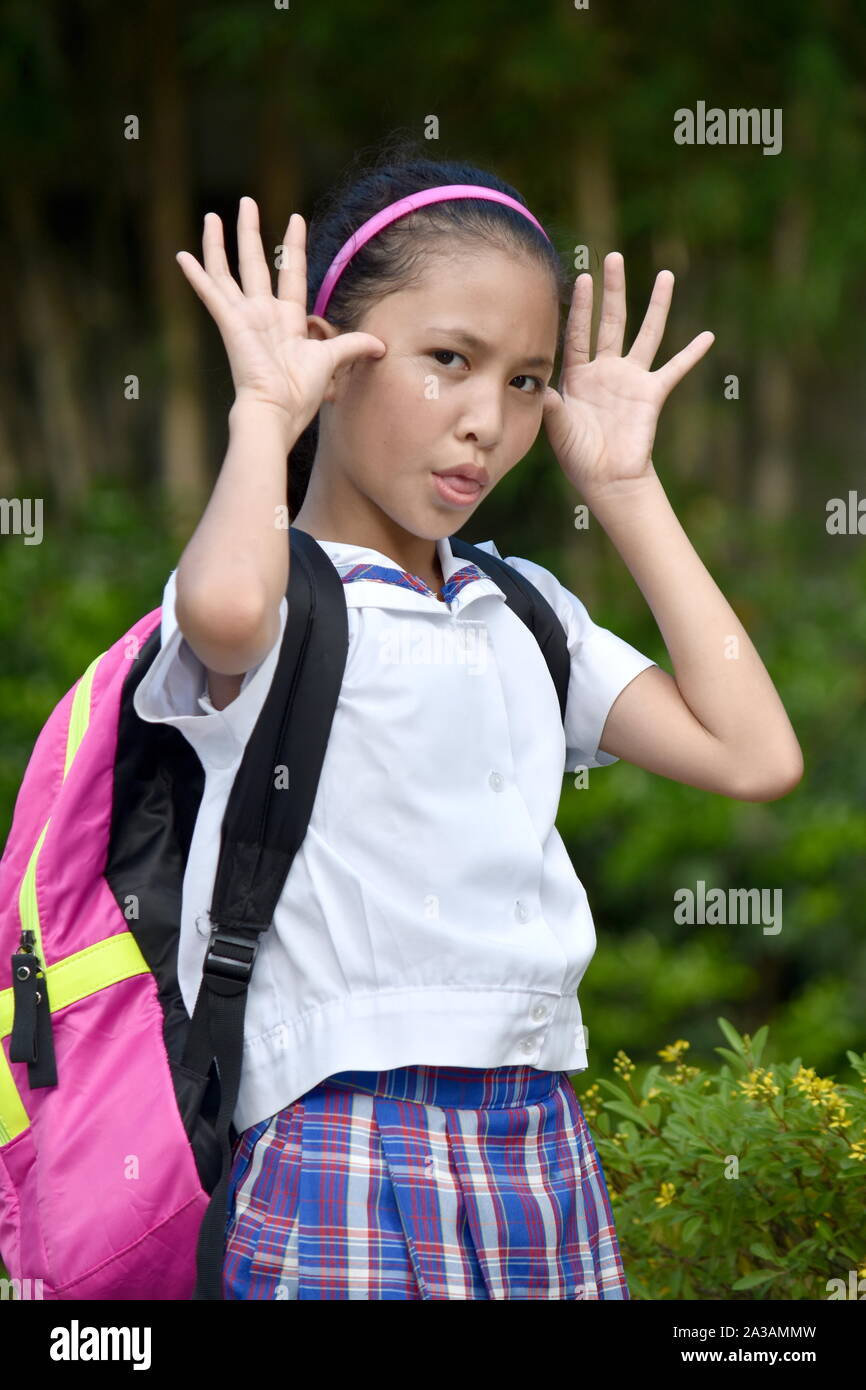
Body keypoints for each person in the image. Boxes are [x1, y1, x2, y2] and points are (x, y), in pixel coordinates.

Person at [134, 140, 803, 1300]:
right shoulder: (285, 591)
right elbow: (224, 607)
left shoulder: (523, 609)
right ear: (336, 354)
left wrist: (626, 491)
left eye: (526, 381)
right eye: (449, 359)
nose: (488, 419)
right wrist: (259, 411)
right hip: (337, 1136)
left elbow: (753, 753)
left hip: (540, 1136)